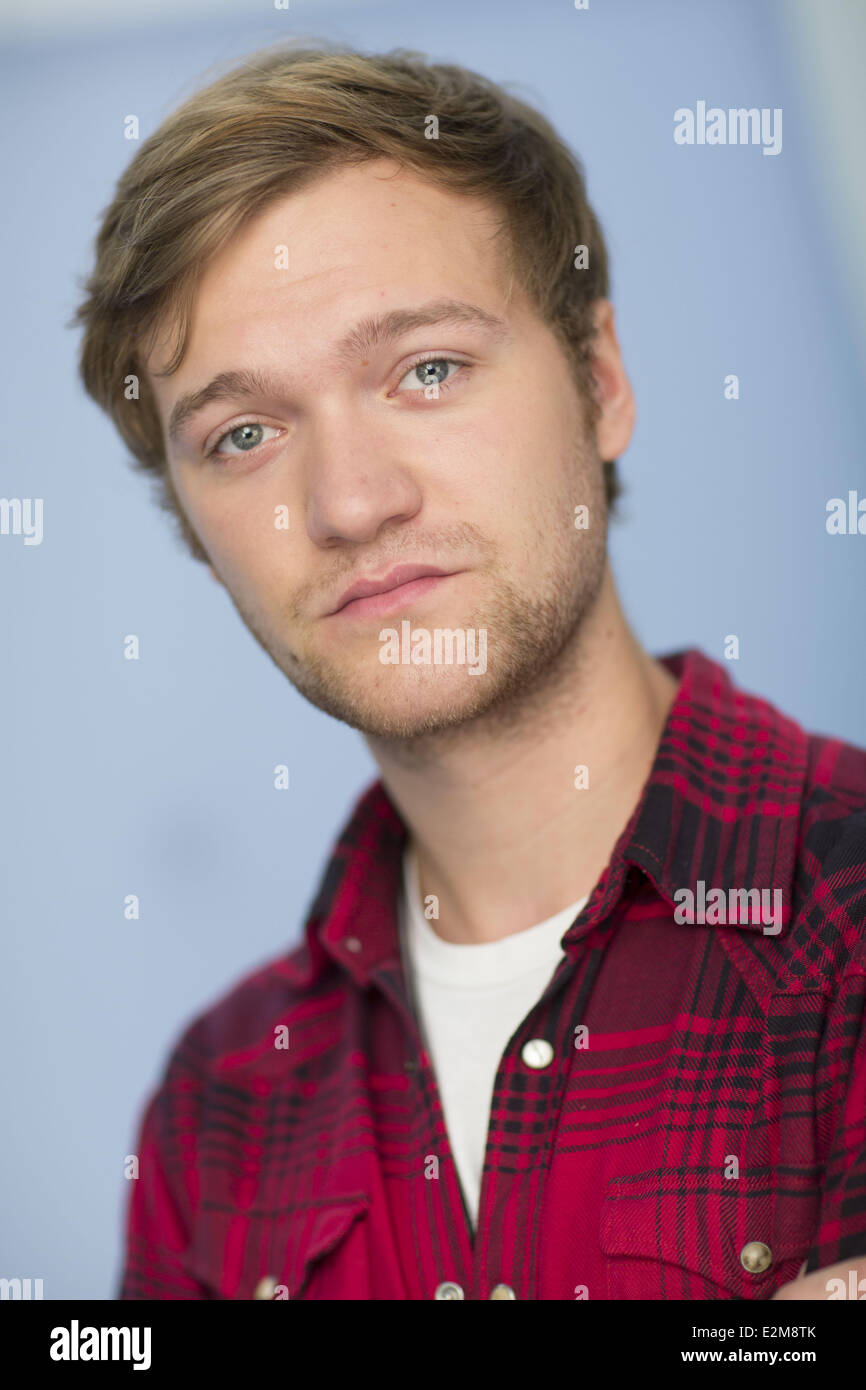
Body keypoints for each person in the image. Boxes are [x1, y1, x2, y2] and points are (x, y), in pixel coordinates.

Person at [73, 43, 866, 1301]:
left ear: (598, 383)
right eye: (244, 435)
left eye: (425, 369)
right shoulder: (215, 1113)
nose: (348, 501)